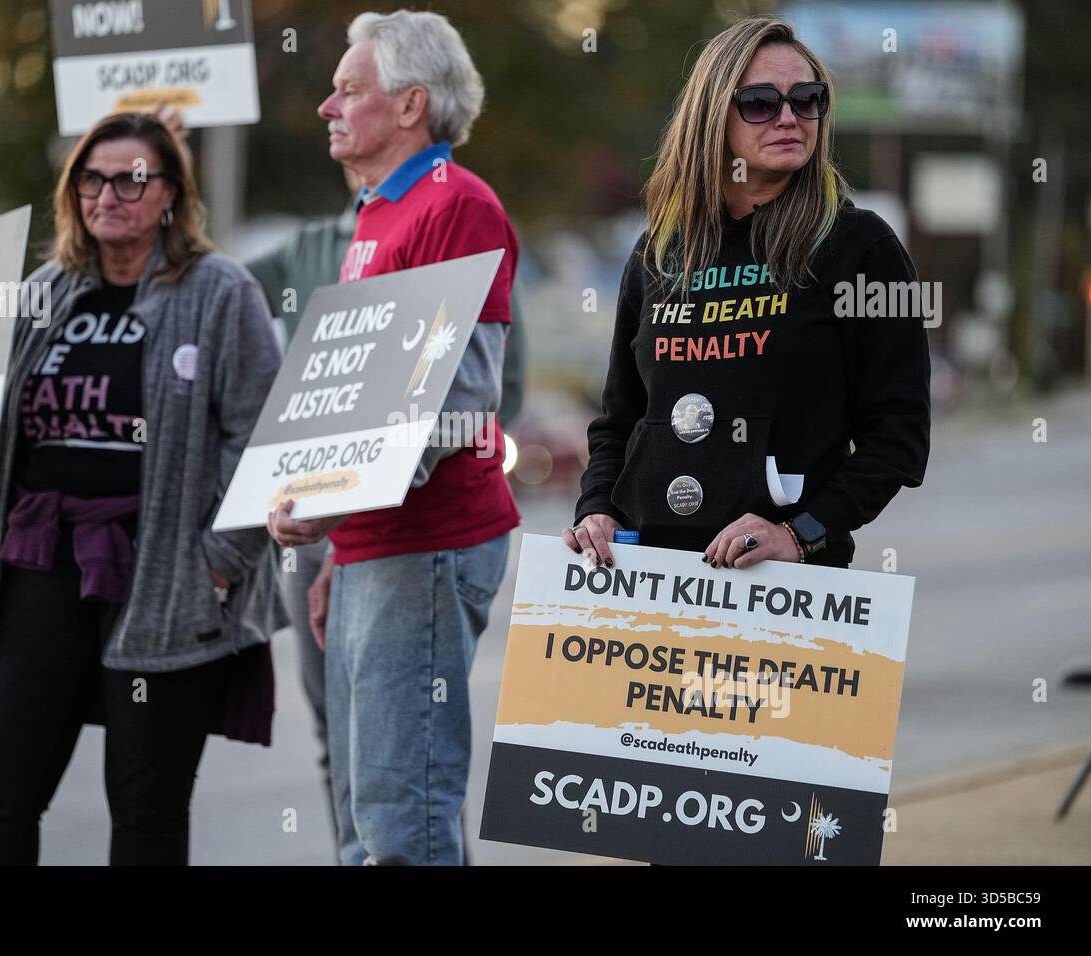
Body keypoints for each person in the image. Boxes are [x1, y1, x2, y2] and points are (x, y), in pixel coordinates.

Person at [0, 112, 284, 865]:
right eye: (93, 178)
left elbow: (259, 442)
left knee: (146, 811)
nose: (108, 194)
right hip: (36, 570)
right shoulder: (46, 292)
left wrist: (218, 560)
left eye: (131, 179)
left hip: (161, 583)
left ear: (170, 195)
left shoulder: (221, 293)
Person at [266, 10, 520, 866]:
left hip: (429, 543)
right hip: (376, 548)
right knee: (367, 817)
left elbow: (464, 401)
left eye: (348, 89)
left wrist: (339, 502)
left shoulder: (459, 206)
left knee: (402, 823)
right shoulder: (380, 213)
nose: (326, 107)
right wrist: (343, 541)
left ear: (411, 104)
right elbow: (368, 407)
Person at [566, 15, 930, 573]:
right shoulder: (659, 249)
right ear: (713, 115)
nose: (789, 117)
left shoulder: (861, 247)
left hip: (783, 586)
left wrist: (802, 531)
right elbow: (619, 420)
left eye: (807, 99)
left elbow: (899, 438)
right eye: (760, 102)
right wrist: (597, 511)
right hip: (647, 580)